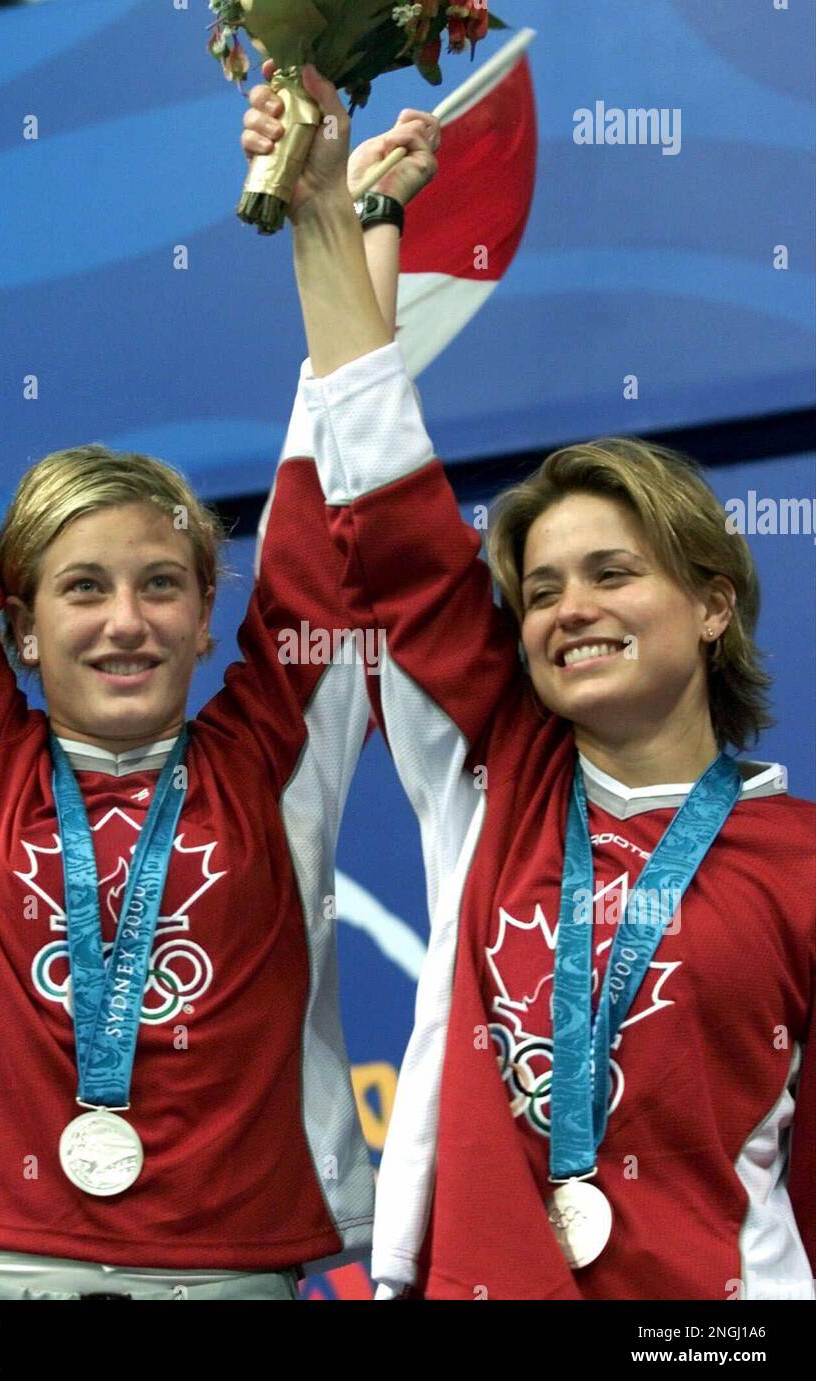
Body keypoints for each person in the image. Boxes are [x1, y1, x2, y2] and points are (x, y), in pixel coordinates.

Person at [0, 34, 438, 1300]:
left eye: (161, 584)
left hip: (232, 1273)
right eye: (82, 588)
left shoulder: (273, 752)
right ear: (15, 625)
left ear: (205, 609)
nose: (126, 620)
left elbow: (335, 504)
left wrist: (344, 220)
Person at [243, 65, 816, 1300]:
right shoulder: (492, 774)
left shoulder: (803, 863)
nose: (570, 609)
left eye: (613, 573)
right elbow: (388, 502)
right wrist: (325, 218)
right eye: (543, 588)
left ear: (713, 603)